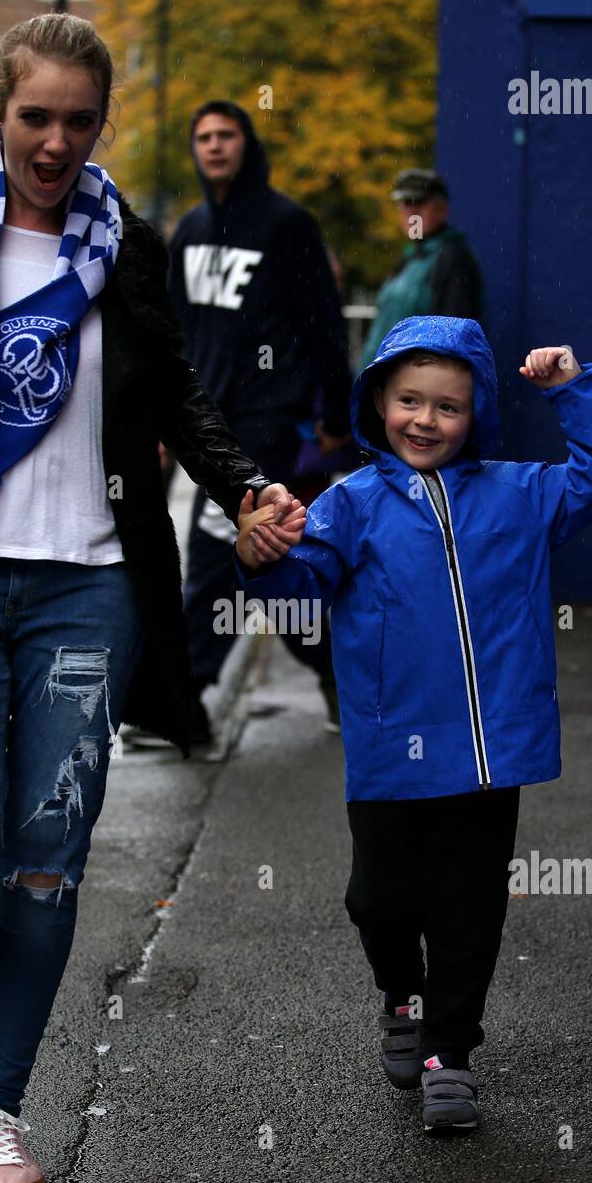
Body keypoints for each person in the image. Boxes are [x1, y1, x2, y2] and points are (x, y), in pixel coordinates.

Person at [0, 13, 291, 1183]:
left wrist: (246, 486)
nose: (54, 142)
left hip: (87, 587)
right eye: (34, 116)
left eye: (78, 122)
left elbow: (174, 387)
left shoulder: (119, 241)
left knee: (45, 862)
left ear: (101, 124)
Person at [233, 315, 592, 1133]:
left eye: (447, 406)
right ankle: (400, 999)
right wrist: (261, 554)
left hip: (487, 757)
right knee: (378, 902)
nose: (424, 420)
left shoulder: (520, 494)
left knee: (466, 914)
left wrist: (571, 389)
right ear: (378, 401)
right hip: (388, 750)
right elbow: (300, 588)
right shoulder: (349, 503)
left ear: (475, 412)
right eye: (408, 400)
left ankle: (449, 1052)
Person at [163, 99, 353, 743]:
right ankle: (342, 675)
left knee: (218, 554)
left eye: (227, 134)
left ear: (247, 144)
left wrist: (337, 415)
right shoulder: (190, 230)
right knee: (268, 563)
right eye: (204, 136)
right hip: (206, 425)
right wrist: (165, 422)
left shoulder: (286, 225)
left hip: (268, 422)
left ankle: (184, 701)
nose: (214, 145)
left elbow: (325, 326)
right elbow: (175, 335)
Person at [359, 169, 484, 370]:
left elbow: (452, 343)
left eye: (418, 201)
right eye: (405, 202)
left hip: (411, 381)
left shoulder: (452, 257)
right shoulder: (409, 258)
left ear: (441, 208)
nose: (411, 210)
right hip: (384, 379)